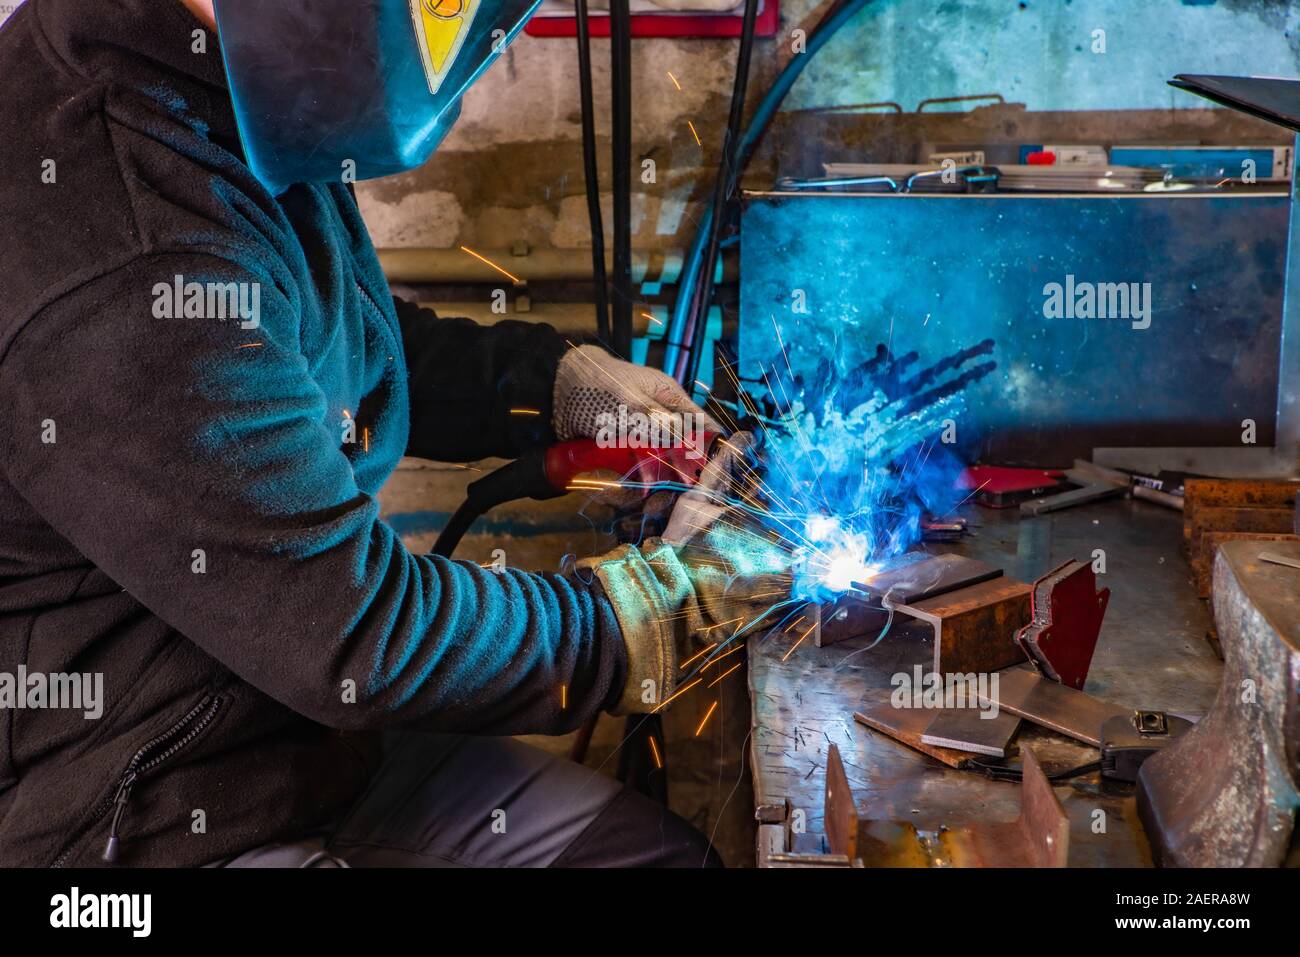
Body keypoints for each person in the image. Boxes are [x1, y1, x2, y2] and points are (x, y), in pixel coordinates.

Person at [0, 0, 783, 867]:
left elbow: (303, 342)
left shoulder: (216, 82)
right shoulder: (129, 238)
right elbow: (358, 633)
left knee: (659, 861)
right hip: (154, 808)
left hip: (304, 731)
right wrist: (653, 609)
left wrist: (549, 388)